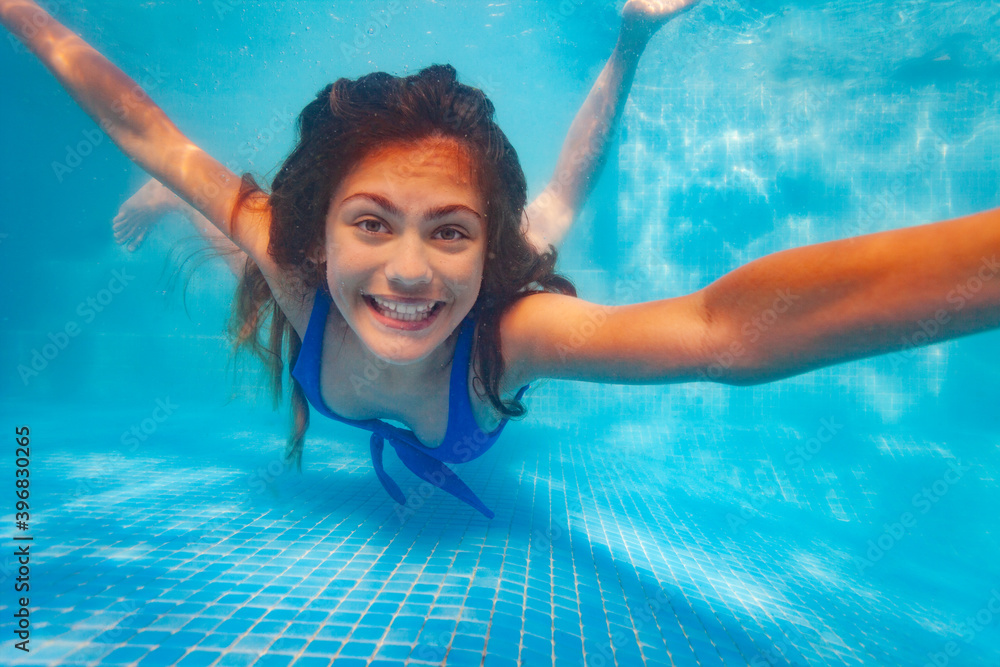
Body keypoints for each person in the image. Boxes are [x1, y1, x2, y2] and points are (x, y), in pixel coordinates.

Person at [3, 0, 998, 519]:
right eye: (372, 223)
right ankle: (188, 222)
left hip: (462, 292)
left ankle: (627, 42)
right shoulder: (296, 260)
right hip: (288, 267)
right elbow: (157, 138)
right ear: (324, 230)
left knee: (557, 209)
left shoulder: (505, 336)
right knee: (217, 228)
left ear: (484, 246)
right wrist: (25, 16)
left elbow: (717, 330)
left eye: (449, 231)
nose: (408, 272)